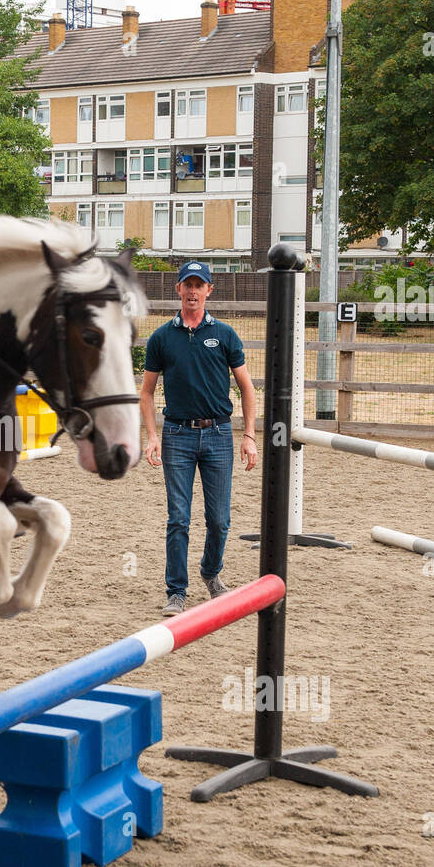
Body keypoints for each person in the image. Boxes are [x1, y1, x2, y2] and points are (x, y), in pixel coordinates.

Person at [140, 261, 259, 617]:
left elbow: (246, 387)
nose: (192, 291)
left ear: (210, 290)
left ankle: (211, 573)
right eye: (187, 284)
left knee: (219, 518)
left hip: (220, 434)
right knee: (178, 517)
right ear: (177, 289)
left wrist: (249, 436)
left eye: (199, 285)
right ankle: (176, 590)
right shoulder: (162, 338)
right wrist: (152, 435)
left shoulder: (224, 335)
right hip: (177, 434)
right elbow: (146, 392)